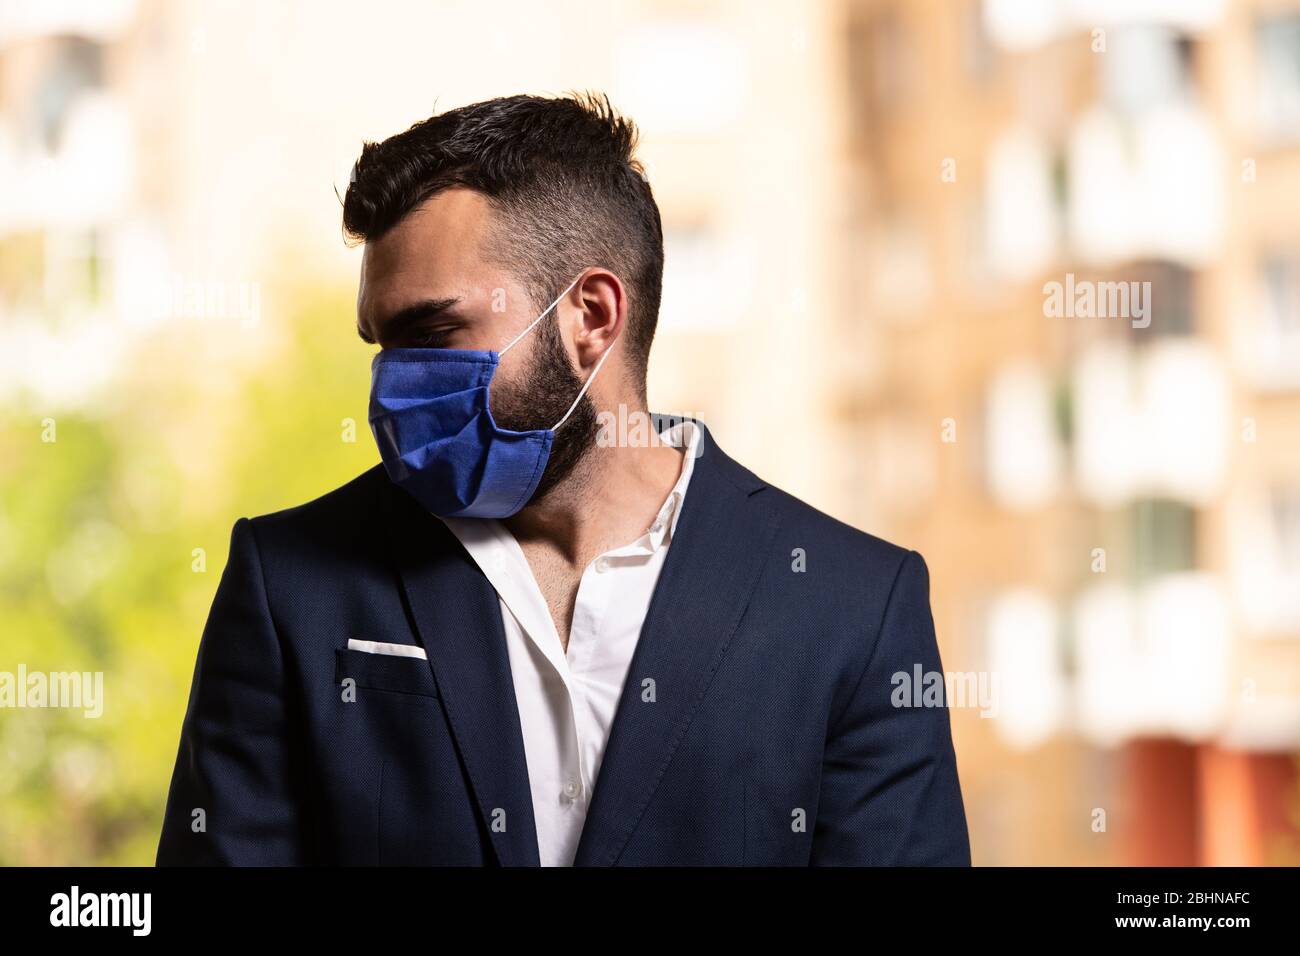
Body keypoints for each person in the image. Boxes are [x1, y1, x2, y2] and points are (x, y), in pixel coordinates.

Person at [157, 92, 970, 866]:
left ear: (591, 318)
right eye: (381, 345)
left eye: (433, 332)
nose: (392, 385)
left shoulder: (852, 609)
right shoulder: (292, 582)